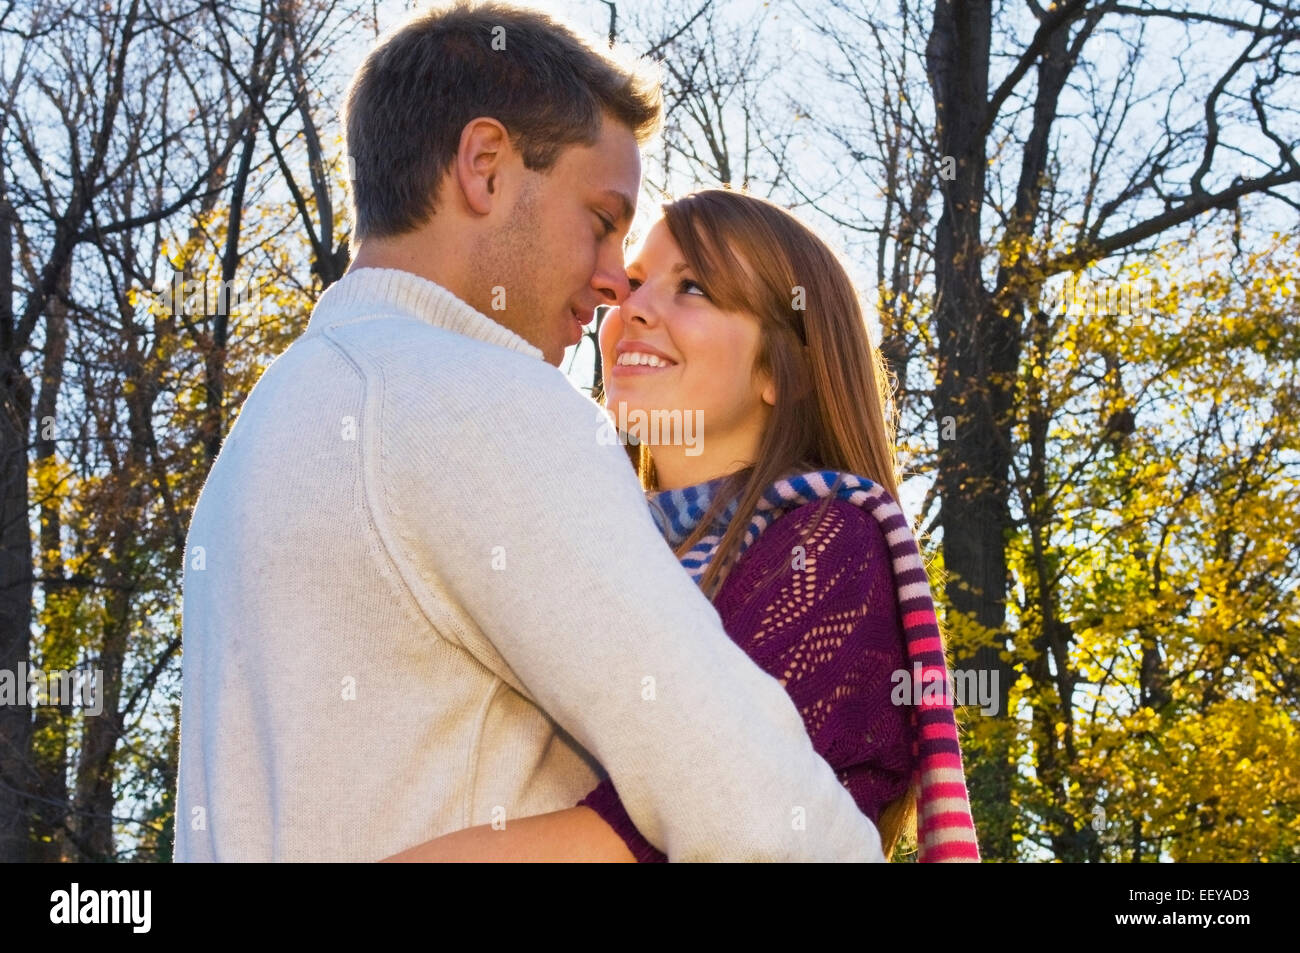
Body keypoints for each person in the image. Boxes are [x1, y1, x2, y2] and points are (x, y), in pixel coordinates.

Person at [173, 1, 887, 862]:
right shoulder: (477, 397)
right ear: (485, 167)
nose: (611, 283)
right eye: (599, 220)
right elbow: (758, 811)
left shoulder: (267, 429)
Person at [385, 189, 982, 862]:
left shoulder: (829, 547)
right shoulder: (582, 533)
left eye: (693, 287)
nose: (631, 307)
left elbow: (672, 826)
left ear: (780, 371)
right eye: (636, 282)